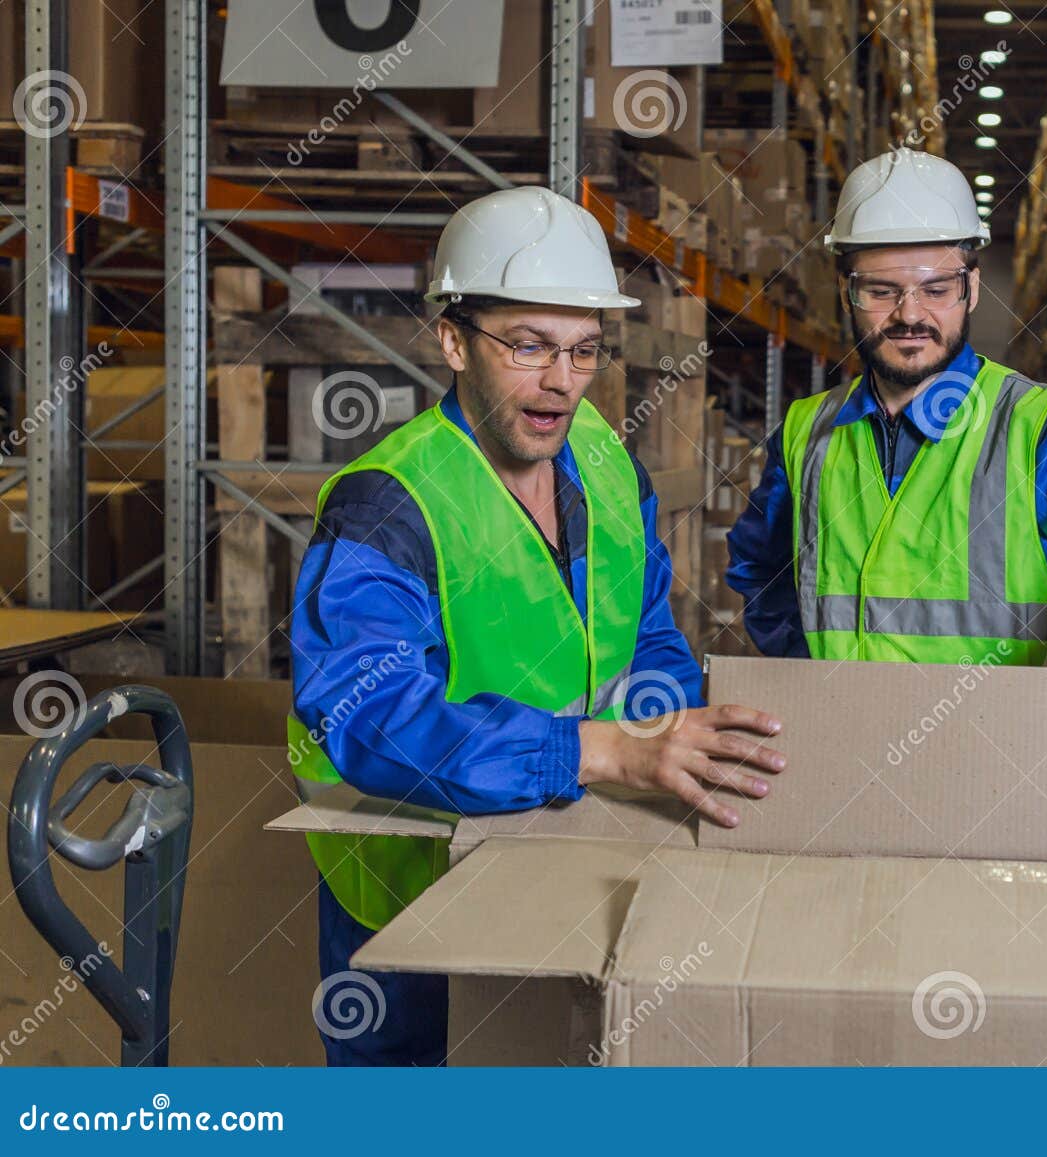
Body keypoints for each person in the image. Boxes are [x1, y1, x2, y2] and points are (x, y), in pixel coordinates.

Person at [288, 186, 784, 1066]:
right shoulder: (387, 503)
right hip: (408, 872)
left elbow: (642, 631)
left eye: (584, 350)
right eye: (528, 346)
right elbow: (369, 717)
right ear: (452, 339)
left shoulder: (600, 457)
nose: (561, 381)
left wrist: (672, 723)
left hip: (559, 837)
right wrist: (598, 751)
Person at [727, 148, 1047, 704]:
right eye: (880, 291)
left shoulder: (1038, 427)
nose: (910, 315)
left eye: (936, 289)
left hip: (1007, 755)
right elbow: (763, 572)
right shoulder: (806, 432)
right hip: (849, 748)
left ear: (971, 287)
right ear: (845, 292)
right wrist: (802, 679)